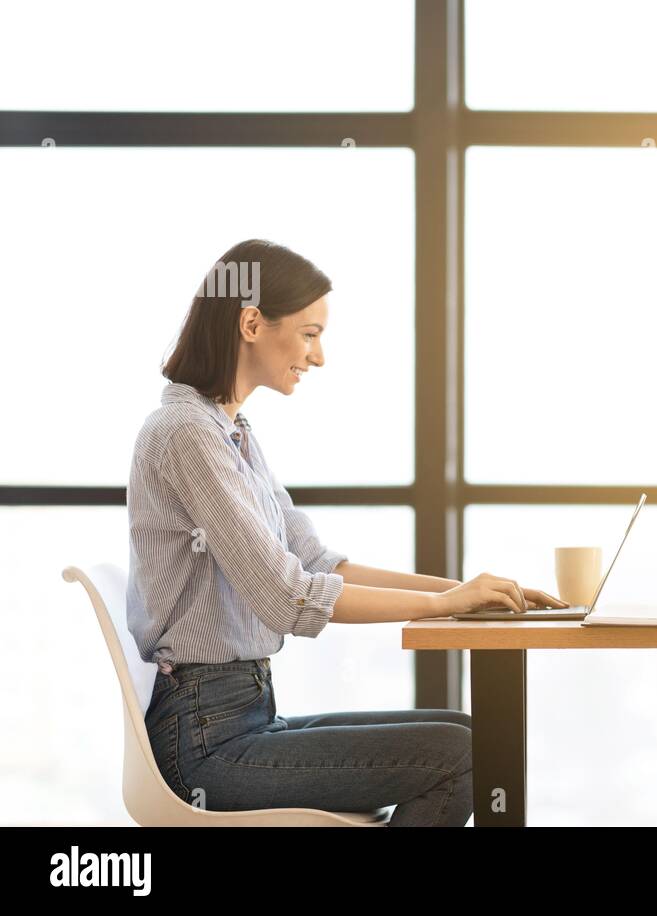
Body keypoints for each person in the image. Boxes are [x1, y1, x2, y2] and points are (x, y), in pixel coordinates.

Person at [126, 238, 567, 826]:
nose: (318, 356)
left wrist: (466, 592)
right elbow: (286, 597)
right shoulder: (186, 432)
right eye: (309, 334)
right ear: (252, 322)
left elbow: (319, 564)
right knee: (465, 755)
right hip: (205, 746)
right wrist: (444, 603)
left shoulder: (232, 433)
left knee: (470, 735)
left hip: (243, 717)